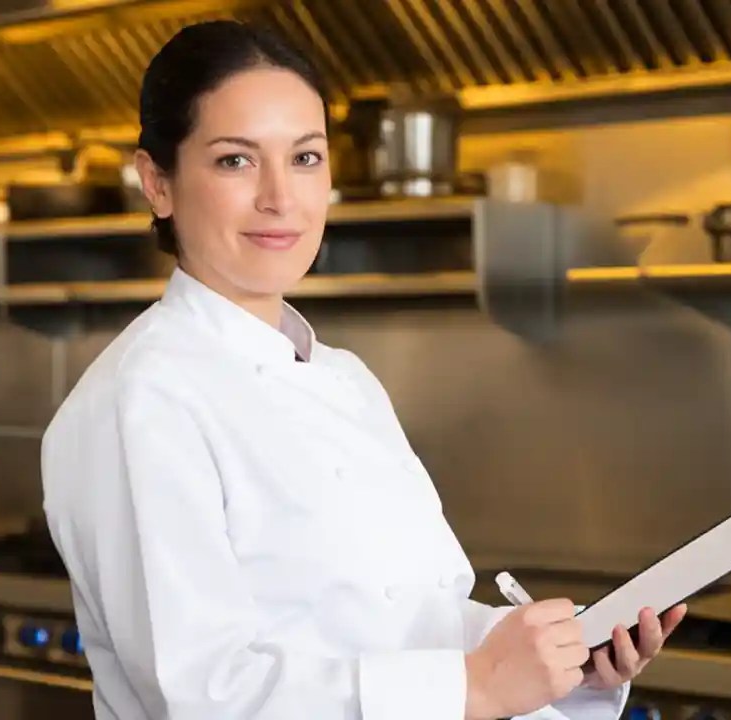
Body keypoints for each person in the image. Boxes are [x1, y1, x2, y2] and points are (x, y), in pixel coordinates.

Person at [40, 19, 686, 720]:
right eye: (235, 160)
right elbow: (204, 697)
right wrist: (473, 688)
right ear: (157, 183)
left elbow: (416, 618)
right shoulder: (141, 399)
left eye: (306, 158)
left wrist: (560, 658)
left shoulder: (346, 379)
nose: (280, 198)